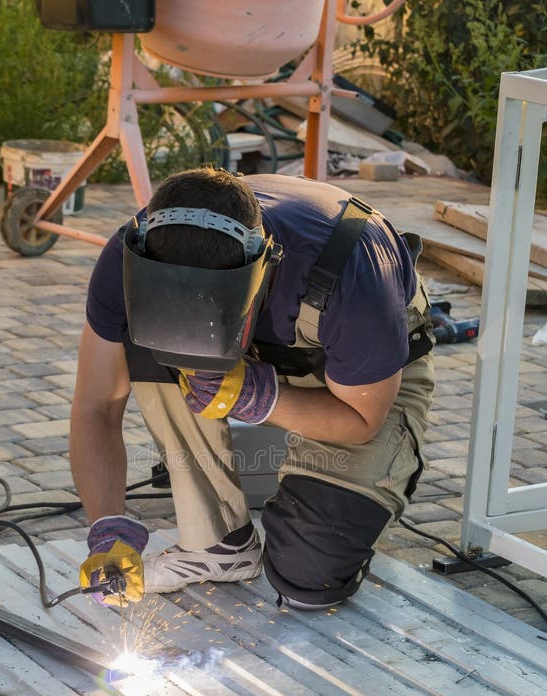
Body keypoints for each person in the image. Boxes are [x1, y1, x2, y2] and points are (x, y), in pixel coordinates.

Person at [70, 166, 435, 611]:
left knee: (308, 577)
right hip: (260, 345)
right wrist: (107, 529)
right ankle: (219, 543)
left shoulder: (354, 273)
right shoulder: (130, 258)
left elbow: (362, 420)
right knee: (143, 337)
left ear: (265, 261)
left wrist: (258, 397)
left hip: (357, 380)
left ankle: (354, 495)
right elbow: (96, 406)